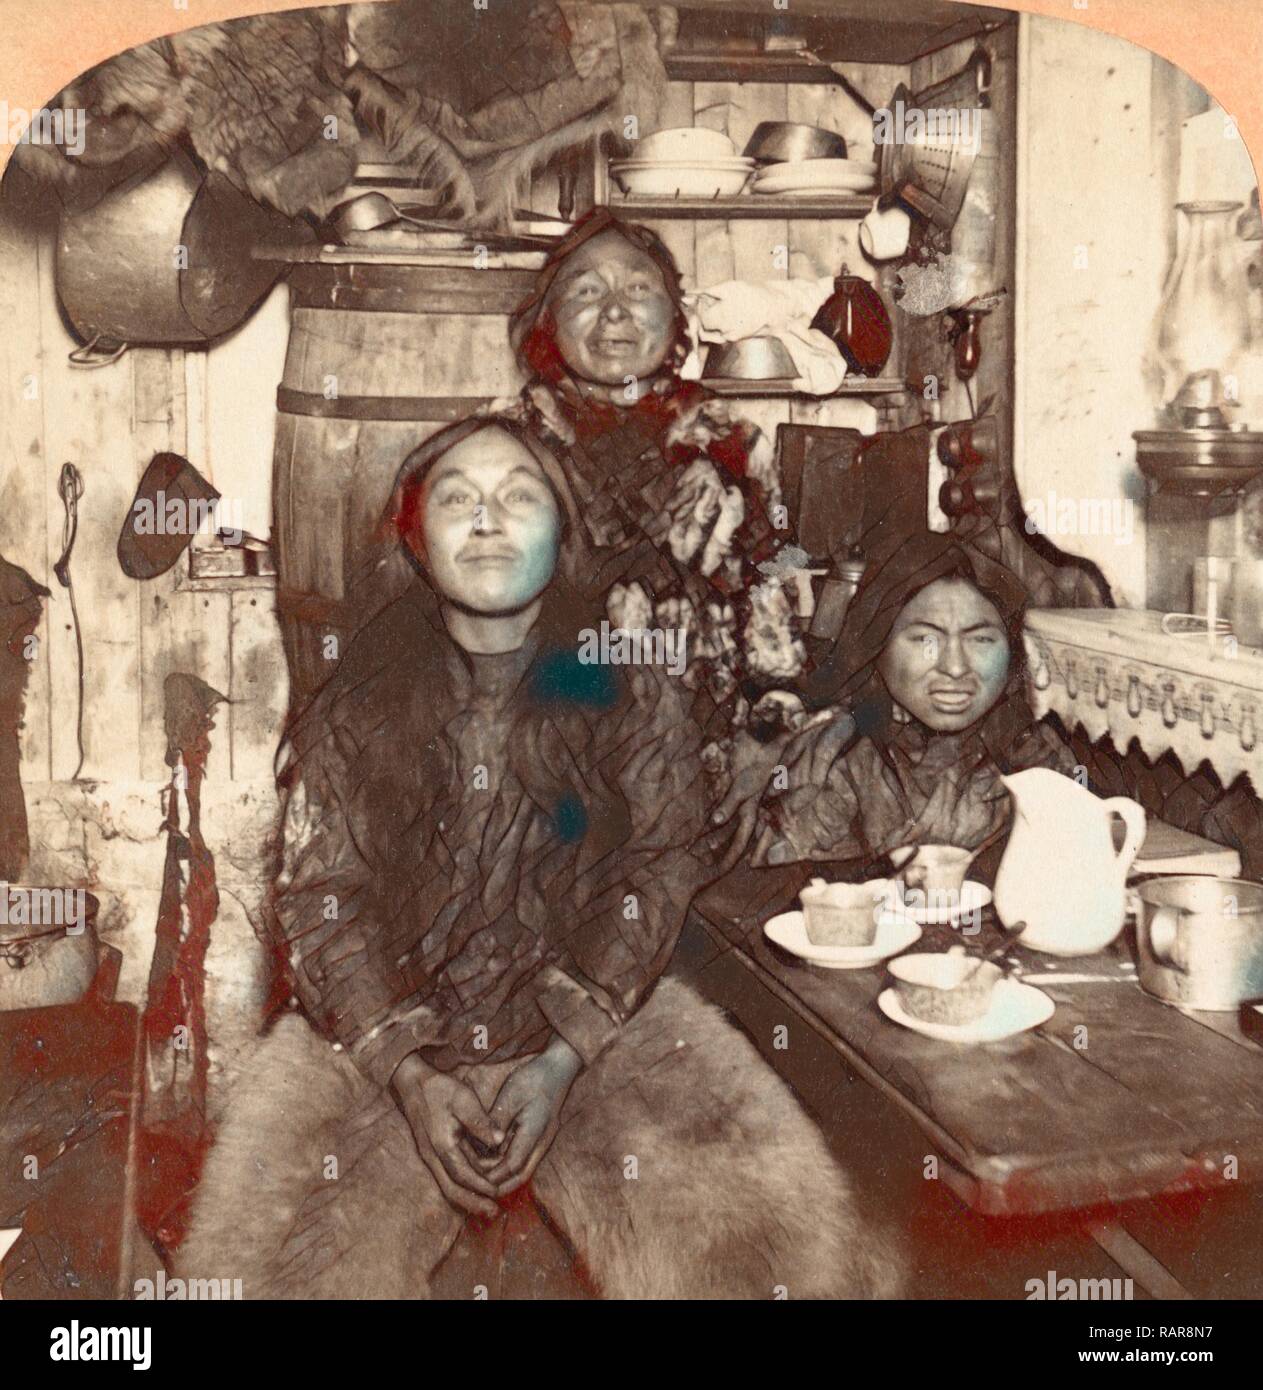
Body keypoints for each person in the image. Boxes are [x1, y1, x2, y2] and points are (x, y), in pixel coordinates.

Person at [176, 417, 899, 1299]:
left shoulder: (627, 683)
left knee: (783, 1253)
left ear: (561, 535)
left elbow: (656, 867)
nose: (487, 520)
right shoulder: (359, 700)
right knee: (252, 1276)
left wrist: (562, 1058)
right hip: (376, 1033)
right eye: (456, 499)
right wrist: (408, 1076)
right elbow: (325, 899)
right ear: (414, 536)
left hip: (599, 1016)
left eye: (520, 497)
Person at [499, 207, 814, 741]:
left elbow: (771, 607)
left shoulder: (728, 437)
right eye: (586, 292)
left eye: (640, 289)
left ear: (675, 318)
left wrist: (769, 739)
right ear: (547, 320)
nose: (615, 312)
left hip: (708, 733)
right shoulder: (506, 445)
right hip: (554, 738)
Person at [714, 531, 1081, 880]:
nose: (954, 666)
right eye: (925, 638)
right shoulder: (839, 758)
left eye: (981, 639)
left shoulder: (1039, 757)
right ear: (877, 647)